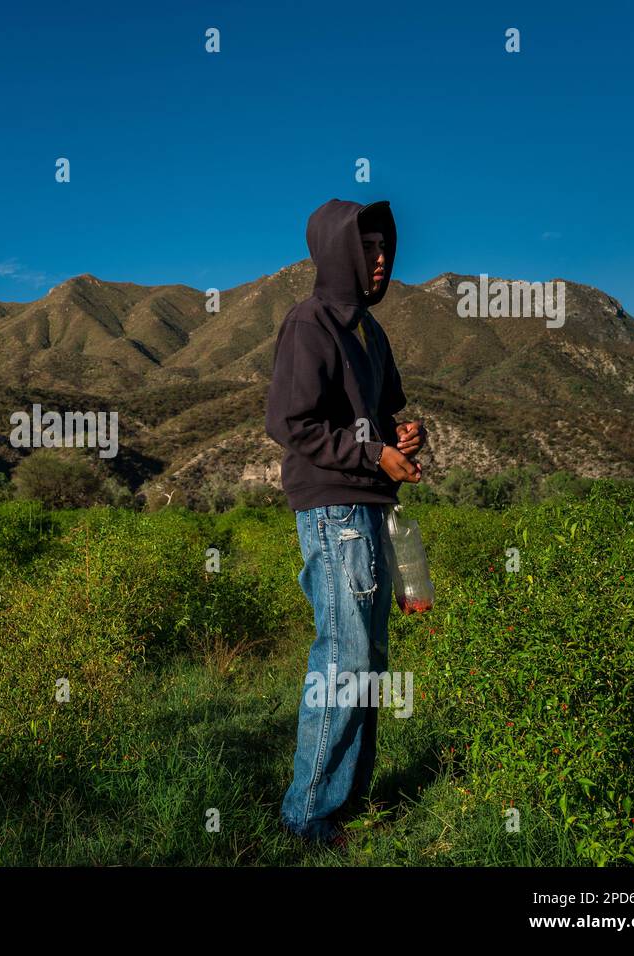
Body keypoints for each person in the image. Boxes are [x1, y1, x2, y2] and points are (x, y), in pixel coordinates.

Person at [264, 198, 427, 844]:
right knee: (344, 655)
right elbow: (291, 424)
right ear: (338, 253)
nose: (382, 259)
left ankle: (346, 801)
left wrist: (403, 439)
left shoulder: (369, 333)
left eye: (387, 248)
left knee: (370, 659)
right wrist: (371, 452)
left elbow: (381, 419)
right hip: (333, 510)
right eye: (368, 248)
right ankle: (306, 815)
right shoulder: (310, 324)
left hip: (371, 508)